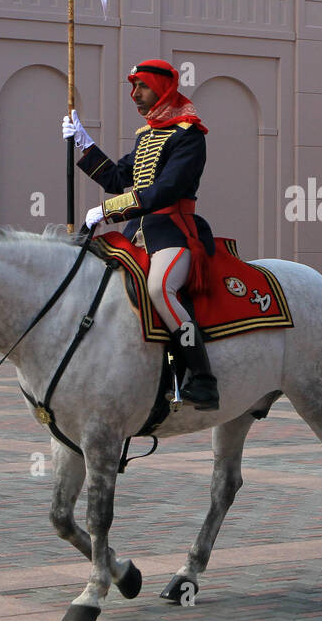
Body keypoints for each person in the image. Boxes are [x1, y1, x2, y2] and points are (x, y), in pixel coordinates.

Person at [62, 59, 219, 408]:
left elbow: (164, 191)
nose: (135, 95)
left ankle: (203, 378)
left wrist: (108, 211)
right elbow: (119, 179)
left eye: (142, 87)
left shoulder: (189, 136)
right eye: (132, 88)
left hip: (172, 231)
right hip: (137, 233)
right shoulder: (147, 136)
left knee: (160, 289)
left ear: (162, 88)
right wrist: (85, 147)